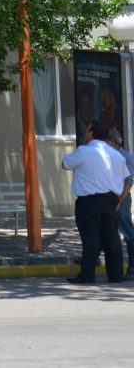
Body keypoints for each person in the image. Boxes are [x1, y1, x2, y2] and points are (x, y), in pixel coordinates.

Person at [62, 121, 130, 284]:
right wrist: (119, 199)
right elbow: (124, 177)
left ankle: (87, 274)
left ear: (91, 133)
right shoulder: (116, 155)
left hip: (89, 201)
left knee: (90, 237)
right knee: (111, 238)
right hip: (110, 199)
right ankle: (115, 274)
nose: (85, 133)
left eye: (87, 130)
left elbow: (65, 164)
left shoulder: (83, 151)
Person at [105, 129, 134, 279]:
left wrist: (119, 201)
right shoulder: (111, 156)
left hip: (121, 199)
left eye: (107, 141)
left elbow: (128, 182)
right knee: (109, 231)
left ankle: (133, 267)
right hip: (111, 198)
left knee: (128, 233)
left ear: (112, 142)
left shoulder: (125, 157)